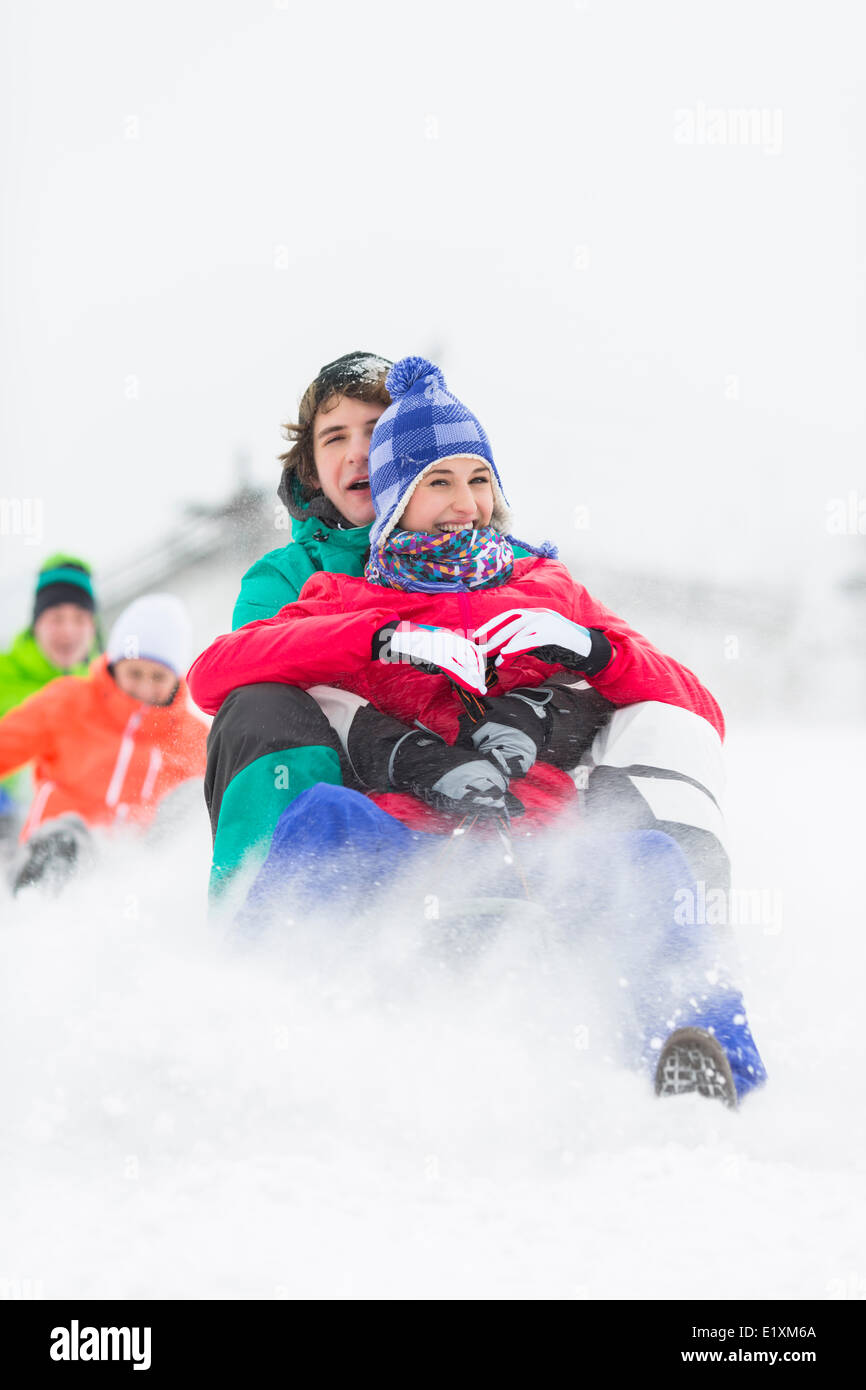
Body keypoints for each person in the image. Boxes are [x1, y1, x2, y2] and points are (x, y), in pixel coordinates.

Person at [189, 356, 766, 1106]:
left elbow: (695, 707)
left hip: (539, 839)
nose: (464, 502)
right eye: (437, 482)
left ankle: (700, 1063)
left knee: (648, 861)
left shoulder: (542, 584)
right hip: (410, 838)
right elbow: (221, 674)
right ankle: (240, 1035)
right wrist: (379, 645)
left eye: (479, 480)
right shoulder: (339, 594)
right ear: (396, 498)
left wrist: (584, 660)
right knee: (322, 820)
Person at [206, 351, 612, 898]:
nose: (357, 454)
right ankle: (264, 907)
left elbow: (617, 664)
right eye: (333, 438)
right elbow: (234, 670)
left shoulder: (499, 564)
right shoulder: (289, 579)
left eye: (374, 432)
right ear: (310, 467)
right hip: (359, 782)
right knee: (259, 703)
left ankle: (604, 882)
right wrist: (378, 645)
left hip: (493, 779)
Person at [0, 594, 207, 894]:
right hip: (50, 860)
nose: (145, 688)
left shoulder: (192, 738)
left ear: (176, 678)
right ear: (114, 665)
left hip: (134, 879)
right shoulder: (70, 702)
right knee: (67, 838)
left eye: (158, 676)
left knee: (192, 800)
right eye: (134, 673)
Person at [0, 555, 101, 838]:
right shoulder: (3, 675)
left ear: (92, 627)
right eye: (56, 618)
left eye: (79, 618)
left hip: (93, 827)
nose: (68, 631)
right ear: (37, 624)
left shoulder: (110, 685)